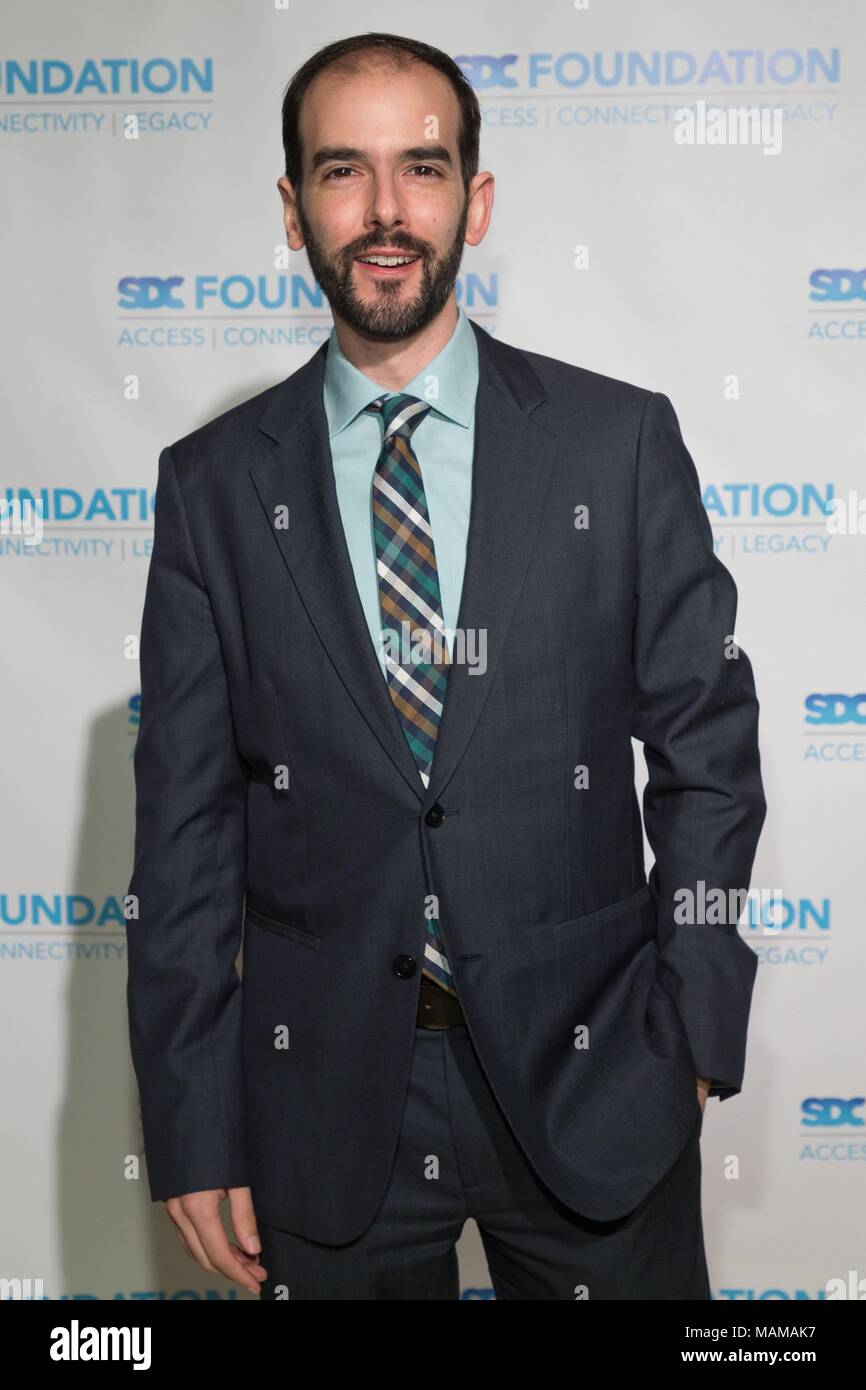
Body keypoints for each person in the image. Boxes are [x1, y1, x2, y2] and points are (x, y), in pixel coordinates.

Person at [126, 31, 767, 1300]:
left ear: (473, 199)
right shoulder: (210, 488)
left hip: (597, 1081)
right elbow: (185, 834)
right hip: (319, 1104)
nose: (382, 213)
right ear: (293, 205)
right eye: (341, 172)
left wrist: (690, 1027)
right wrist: (194, 1122)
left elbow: (708, 754)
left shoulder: (615, 445)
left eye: (419, 169)